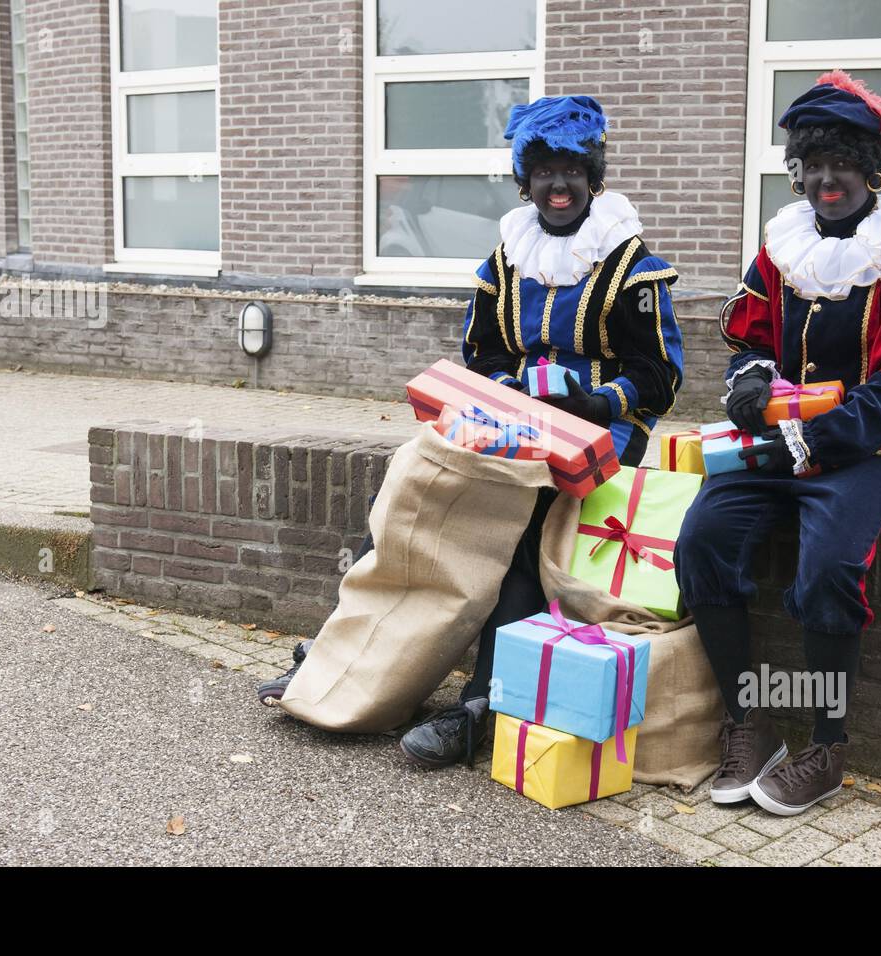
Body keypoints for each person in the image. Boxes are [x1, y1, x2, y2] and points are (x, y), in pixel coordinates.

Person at [259, 95, 685, 769]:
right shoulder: (507, 257)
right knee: (410, 498)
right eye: (542, 170)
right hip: (512, 423)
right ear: (525, 179)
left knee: (519, 536)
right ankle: (341, 663)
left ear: (593, 175)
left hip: (600, 437)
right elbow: (481, 357)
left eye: (572, 170)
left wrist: (597, 402)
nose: (558, 185)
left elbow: (660, 376)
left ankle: (481, 707)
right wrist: (507, 393)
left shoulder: (632, 265)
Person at [673, 71, 881, 816]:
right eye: (813, 165)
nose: (827, 180)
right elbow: (746, 341)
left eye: (843, 165)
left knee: (827, 569)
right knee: (699, 543)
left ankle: (827, 748)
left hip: (869, 444)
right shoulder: (779, 249)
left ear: (872, 170)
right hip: (774, 440)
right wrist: (750, 387)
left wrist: (816, 440)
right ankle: (749, 724)